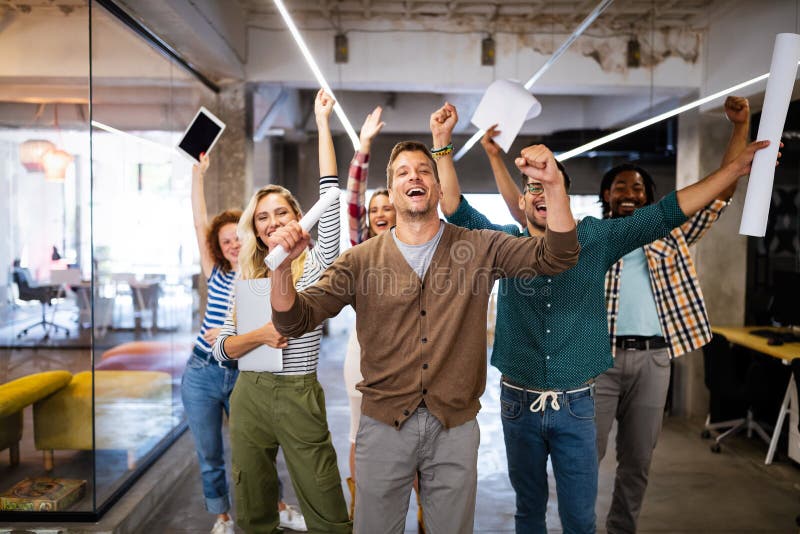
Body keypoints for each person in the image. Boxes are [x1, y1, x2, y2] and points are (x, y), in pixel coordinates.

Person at [438, 97, 769, 533]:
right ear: (521, 201)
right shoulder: (504, 243)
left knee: (579, 519)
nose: (541, 193)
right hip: (518, 401)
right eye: (532, 188)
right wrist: (441, 143)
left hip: (577, 404)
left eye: (550, 186)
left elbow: (670, 211)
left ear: (565, 197)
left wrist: (735, 169)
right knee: (528, 510)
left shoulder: (597, 239)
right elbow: (455, 209)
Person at [268, 102, 581, 534]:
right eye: (402, 172)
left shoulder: (481, 246)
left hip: (455, 427)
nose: (414, 177)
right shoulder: (359, 261)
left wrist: (554, 185)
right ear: (391, 190)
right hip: (383, 426)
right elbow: (293, 321)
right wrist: (281, 270)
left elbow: (559, 256)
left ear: (436, 187)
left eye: (423, 171)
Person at [593, 96, 754, 534]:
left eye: (638, 188)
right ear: (606, 195)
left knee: (638, 461)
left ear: (649, 197)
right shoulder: (591, 238)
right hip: (597, 362)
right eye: (621, 187)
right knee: (585, 457)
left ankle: (621, 530)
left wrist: (740, 127)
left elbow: (720, 192)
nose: (630, 194)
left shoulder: (670, 235)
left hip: (654, 360)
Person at [212, 89, 351, 533]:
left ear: (298, 218)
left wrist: (322, 122)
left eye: (281, 213)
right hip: (249, 394)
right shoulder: (248, 276)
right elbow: (221, 349)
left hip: (297, 392)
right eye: (263, 217)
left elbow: (330, 196)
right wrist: (259, 336)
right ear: (255, 229)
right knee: (252, 501)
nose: (273, 222)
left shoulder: (317, 263)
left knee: (325, 499)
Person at [182, 153, 306, 534]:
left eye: (237, 237)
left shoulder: (262, 270)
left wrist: (228, 333)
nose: (232, 244)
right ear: (217, 247)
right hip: (202, 372)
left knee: (257, 450)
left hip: (243, 370)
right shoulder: (217, 274)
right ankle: (222, 517)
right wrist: (198, 176)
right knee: (210, 453)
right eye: (225, 241)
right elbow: (199, 220)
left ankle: (278, 506)